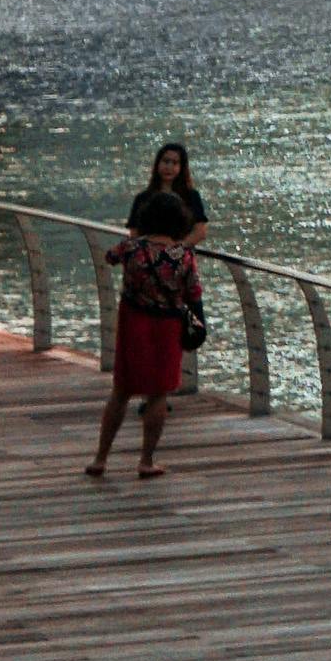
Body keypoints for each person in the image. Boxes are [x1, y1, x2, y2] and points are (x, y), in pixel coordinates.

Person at [88, 149, 208, 483]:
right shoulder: (182, 257)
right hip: (167, 326)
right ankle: (146, 460)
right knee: (158, 394)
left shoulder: (132, 249)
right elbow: (193, 292)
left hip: (133, 322)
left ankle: (100, 458)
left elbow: (111, 256)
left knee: (121, 391)